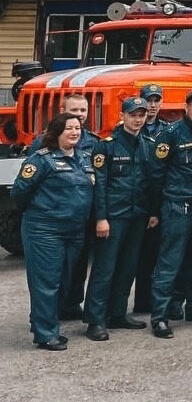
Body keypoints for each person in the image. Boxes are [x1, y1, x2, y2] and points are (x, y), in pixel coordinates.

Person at [12, 113, 94, 350]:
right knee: (45, 282)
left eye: (77, 128)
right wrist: (45, 212)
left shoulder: (84, 158)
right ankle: (45, 333)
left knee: (64, 280)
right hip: (45, 230)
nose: (74, 132)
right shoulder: (41, 160)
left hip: (74, 230)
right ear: (56, 131)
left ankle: (44, 322)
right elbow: (19, 194)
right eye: (68, 128)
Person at [149, 89, 192, 339]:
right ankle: (160, 316)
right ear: (187, 108)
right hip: (178, 206)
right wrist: (158, 208)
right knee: (169, 263)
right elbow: (156, 174)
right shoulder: (171, 134)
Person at [84, 97, 152, 341]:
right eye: (133, 114)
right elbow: (99, 186)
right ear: (123, 115)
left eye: (142, 115)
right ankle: (95, 320)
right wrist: (100, 218)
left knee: (127, 267)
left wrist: (152, 212)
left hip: (137, 216)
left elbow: (149, 183)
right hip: (113, 217)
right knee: (104, 268)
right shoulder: (107, 146)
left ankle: (117, 313)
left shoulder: (147, 144)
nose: (138, 119)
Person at [27, 93, 98, 321]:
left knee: (76, 268)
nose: (79, 115)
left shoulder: (94, 142)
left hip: (81, 219)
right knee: (50, 272)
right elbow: (26, 187)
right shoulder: (43, 142)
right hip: (52, 220)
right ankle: (45, 315)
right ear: (62, 110)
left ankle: (71, 304)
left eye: (83, 111)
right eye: (74, 110)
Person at [133, 84, 167, 315]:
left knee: (156, 254)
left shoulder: (167, 130)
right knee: (134, 256)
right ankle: (135, 303)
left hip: (160, 199)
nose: (152, 105)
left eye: (156, 100)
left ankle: (152, 301)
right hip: (136, 199)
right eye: (148, 101)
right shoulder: (132, 129)